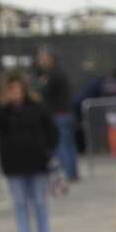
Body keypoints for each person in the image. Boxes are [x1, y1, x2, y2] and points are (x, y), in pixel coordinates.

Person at [0, 72, 59, 232]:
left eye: (18, 89)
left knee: (40, 201)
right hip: (13, 164)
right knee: (20, 203)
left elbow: (51, 130)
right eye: (11, 90)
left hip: (37, 162)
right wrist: (5, 105)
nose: (15, 93)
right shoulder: (1, 109)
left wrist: (47, 151)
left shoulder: (36, 107)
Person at [33, 48, 78, 182]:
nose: (40, 62)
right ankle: (71, 172)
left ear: (50, 59)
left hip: (59, 115)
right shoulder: (57, 73)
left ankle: (67, 173)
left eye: (43, 59)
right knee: (68, 145)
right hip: (65, 114)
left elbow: (43, 92)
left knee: (61, 145)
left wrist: (41, 83)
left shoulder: (54, 75)